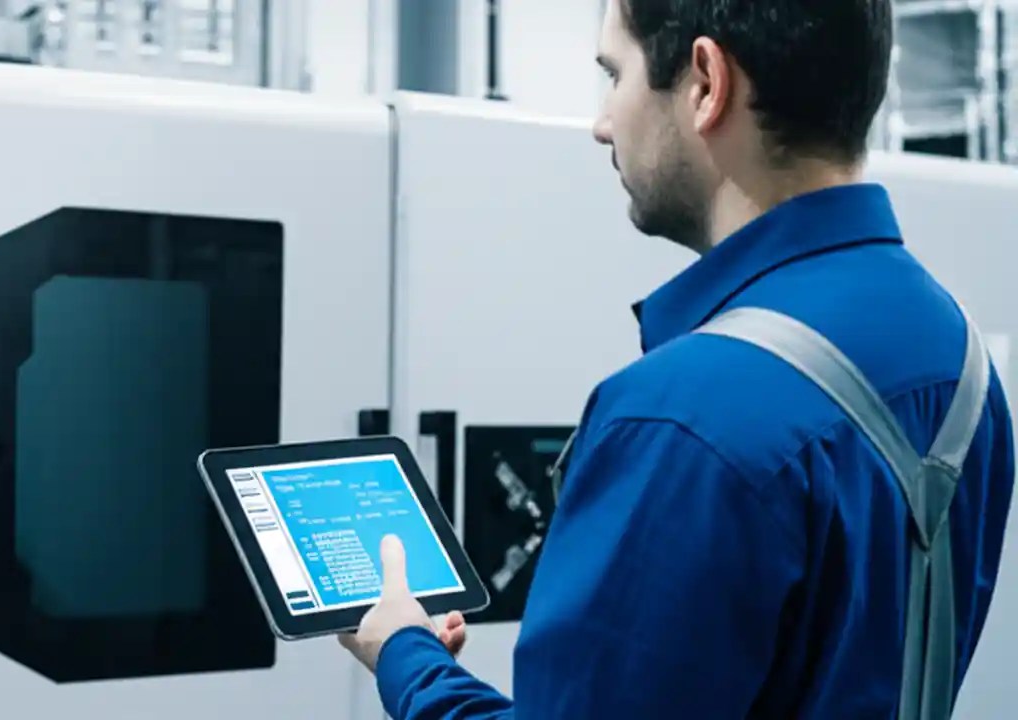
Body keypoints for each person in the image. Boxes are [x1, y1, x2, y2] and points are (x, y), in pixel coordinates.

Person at [338, 0, 1016, 717]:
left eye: (614, 73)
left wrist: (406, 657)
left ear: (704, 83)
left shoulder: (678, 419)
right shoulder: (960, 360)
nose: (603, 121)